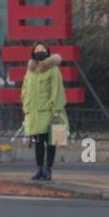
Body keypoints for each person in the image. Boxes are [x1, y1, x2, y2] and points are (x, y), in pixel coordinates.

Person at [22, 42, 69, 181]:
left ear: (48, 52)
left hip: (49, 111)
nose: (39, 51)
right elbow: (25, 88)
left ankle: (48, 169)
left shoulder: (53, 69)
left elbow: (57, 90)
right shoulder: (30, 70)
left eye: (42, 49)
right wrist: (26, 104)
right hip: (35, 112)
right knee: (38, 141)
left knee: (51, 141)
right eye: (37, 49)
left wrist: (55, 110)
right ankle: (39, 169)